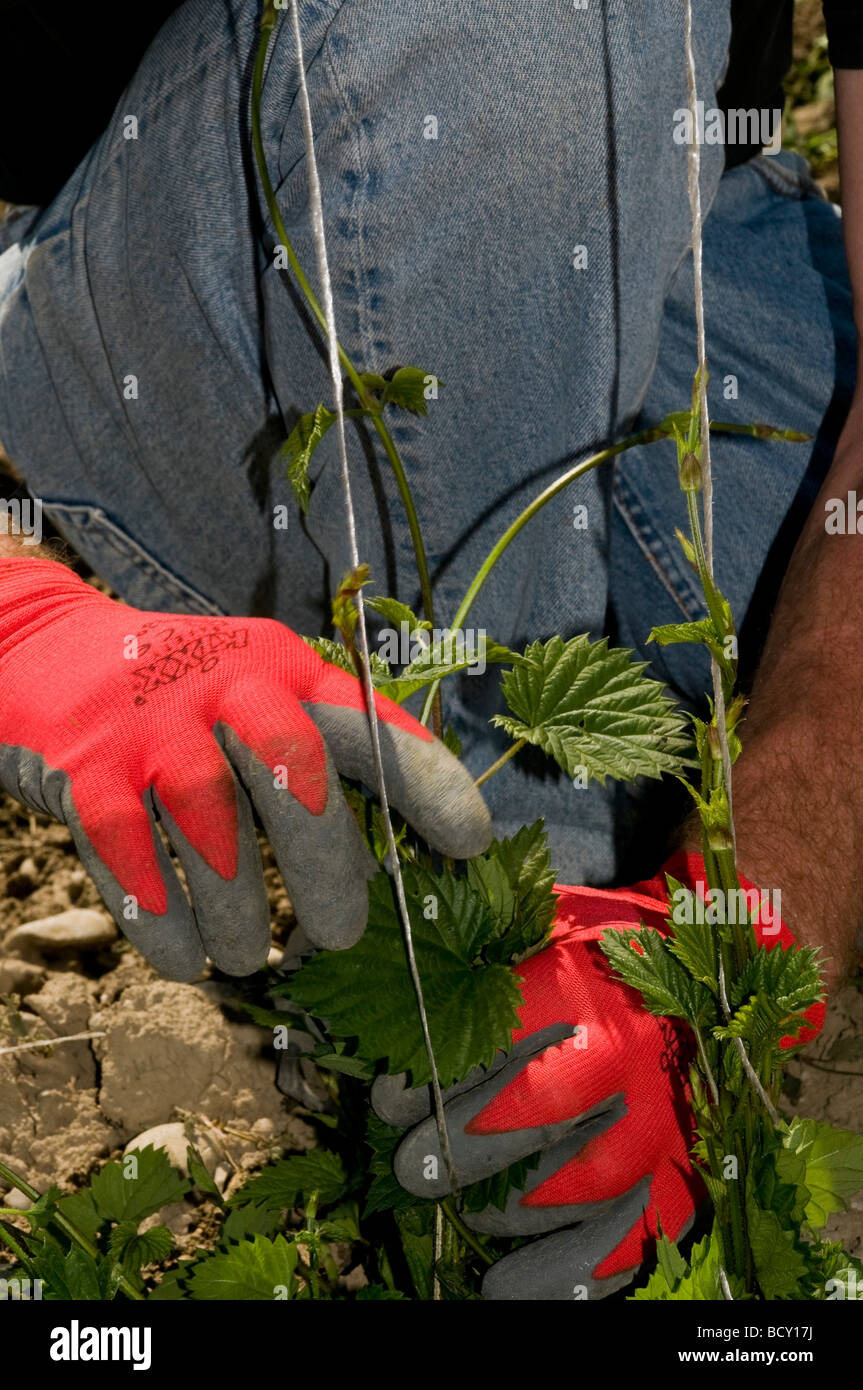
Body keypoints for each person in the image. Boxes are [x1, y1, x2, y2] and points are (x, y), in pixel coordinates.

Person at [0, 0, 861, 1298]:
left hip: (673, 224)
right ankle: (510, 1028)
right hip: (153, 265)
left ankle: (599, 1038)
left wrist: (757, 927)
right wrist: (28, 623)